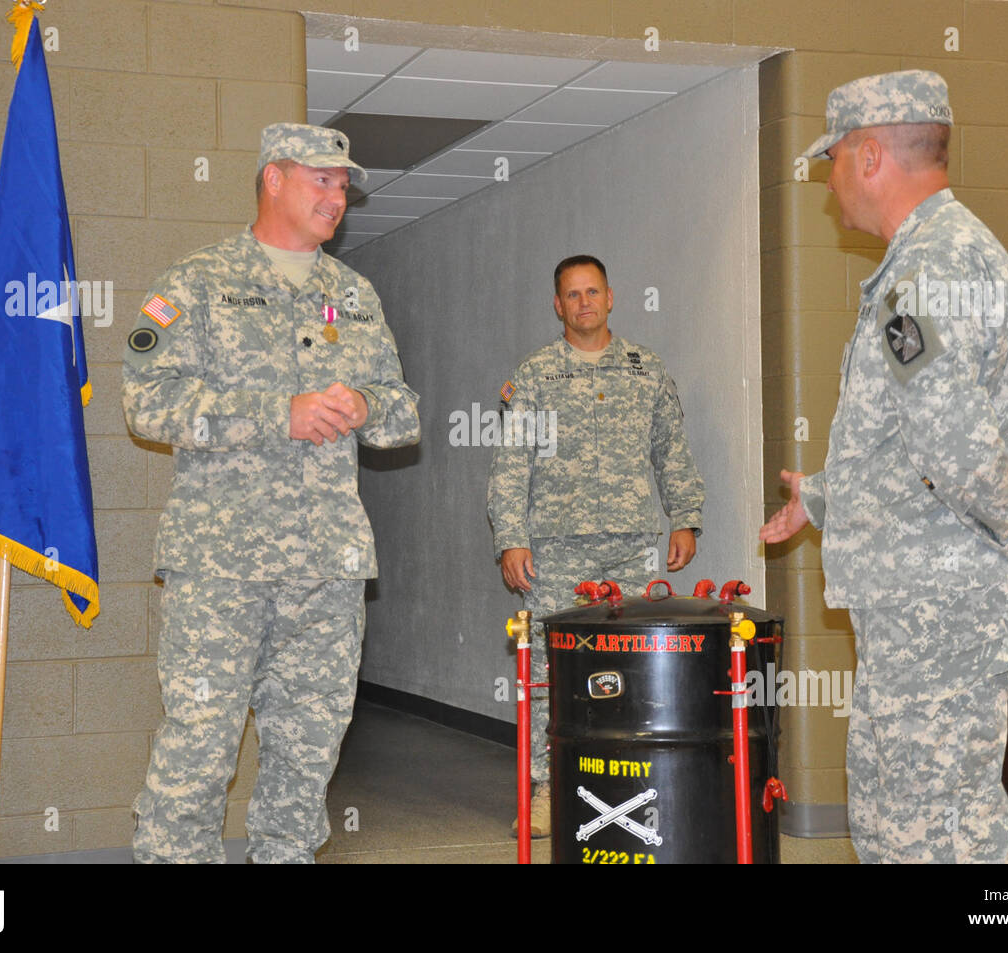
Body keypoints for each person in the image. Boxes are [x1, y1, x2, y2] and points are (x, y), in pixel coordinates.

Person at [758, 71, 1008, 864]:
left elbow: (948, 429)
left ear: (868, 157)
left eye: (832, 160)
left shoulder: (932, 266)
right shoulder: (930, 260)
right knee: (931, 822)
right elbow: (911, 430)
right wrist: (824, 496)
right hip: (929, 597)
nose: (828, 182)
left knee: (927, 832)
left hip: (939, 599)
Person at [122, 122, 420, 863]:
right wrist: (273, 415)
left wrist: (366, 406)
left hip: (326, 565)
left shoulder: (354, 296)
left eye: (344, 183)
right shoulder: (196, 281)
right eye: (321, 179)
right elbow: (146, 400)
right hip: (220, 561)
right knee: (198, 749)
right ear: (273, 179)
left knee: (308, 751)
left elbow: (404, 410)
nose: (336, 195)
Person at [487, 255, 704, 835]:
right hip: (554, 548)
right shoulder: (534, 375)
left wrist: (685, 518)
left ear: (611, 298)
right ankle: (543, 790)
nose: (583, 302)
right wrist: (511, 537)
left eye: (592, 291)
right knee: (550, 671)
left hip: (632, 546)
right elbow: (512, 463)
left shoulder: (646, 370)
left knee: (629, 667)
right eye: (571, 295)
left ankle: (626, 784)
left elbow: (672, 451)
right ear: (558, 306)